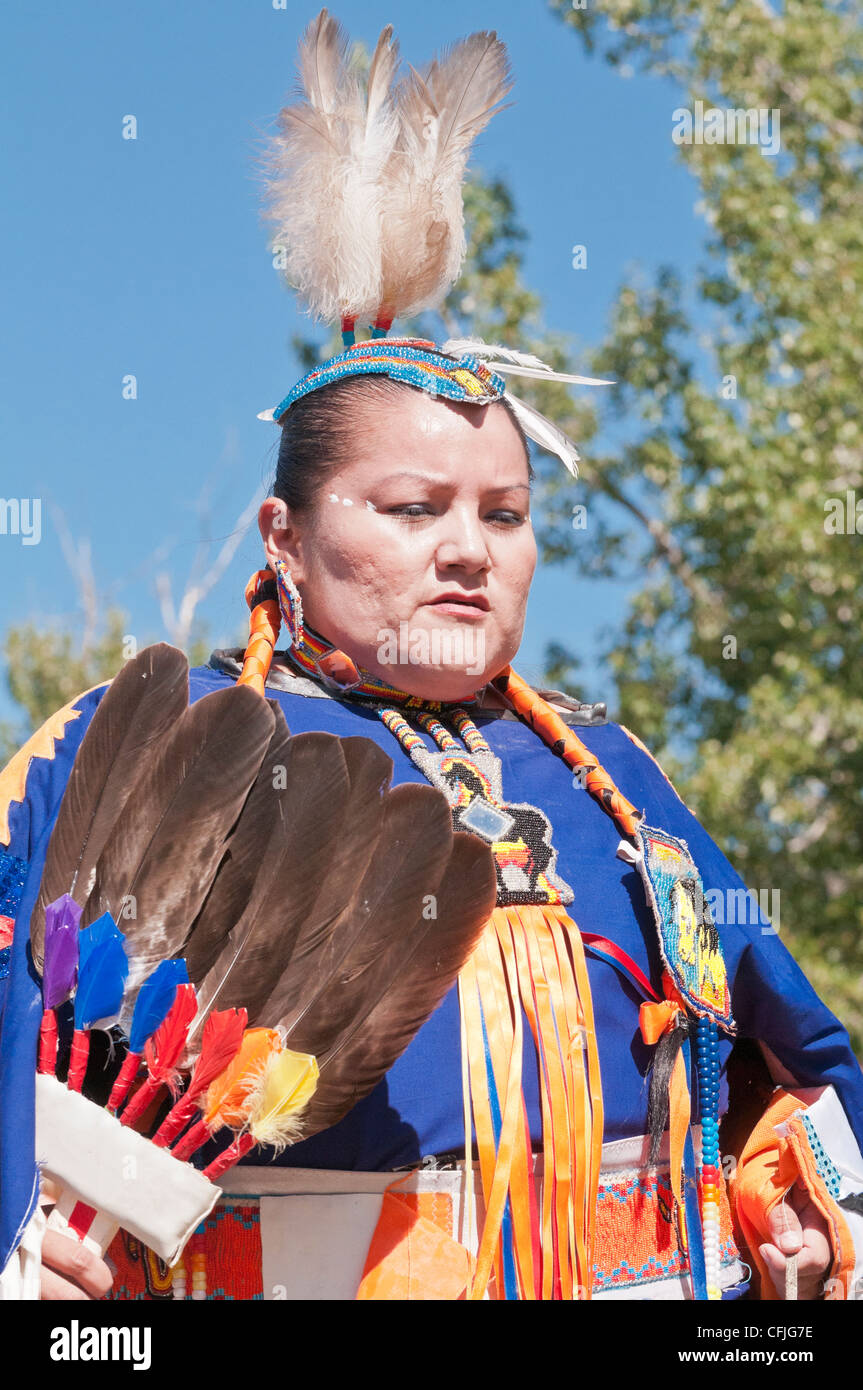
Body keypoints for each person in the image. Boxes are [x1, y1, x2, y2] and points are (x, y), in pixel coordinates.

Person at [1, 11, 861, 1302]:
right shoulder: (151, 747)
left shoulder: (613, 775)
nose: (468, 549)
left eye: (503, 516)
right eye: (411, 509)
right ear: (284, 538)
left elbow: (787, 1074)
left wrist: (788, 1211)